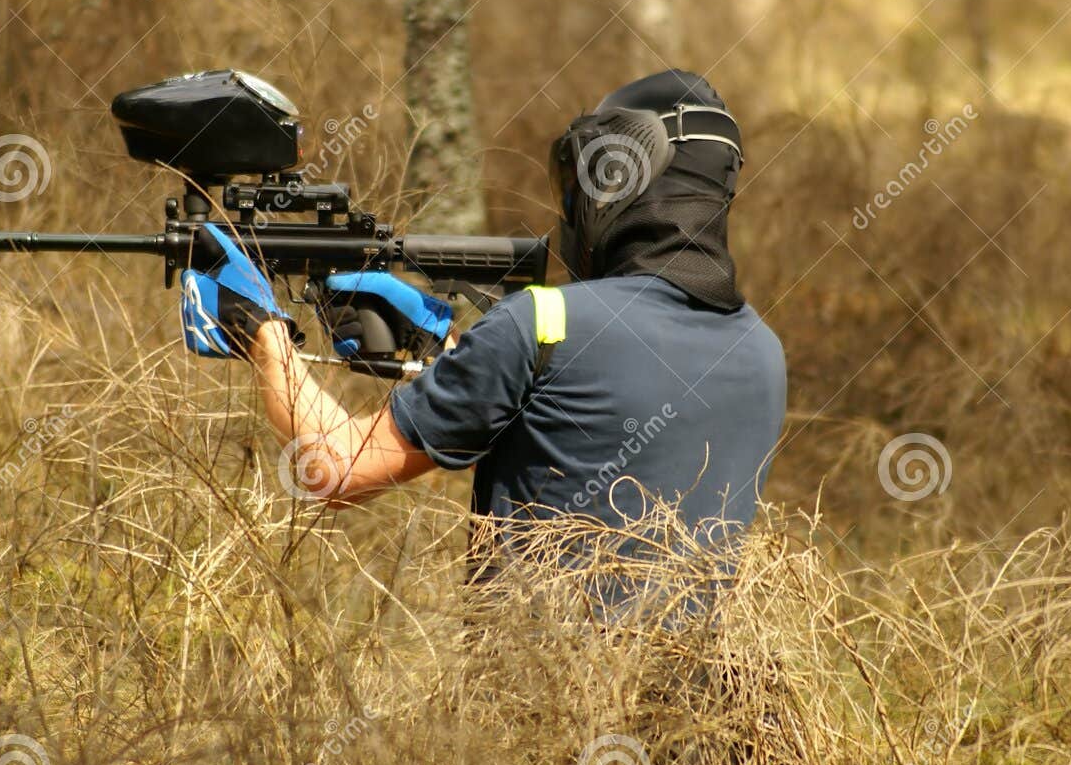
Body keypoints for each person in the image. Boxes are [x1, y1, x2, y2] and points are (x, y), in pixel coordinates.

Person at [180, 68, 785, 614]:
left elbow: (332, 469)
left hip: (541, 712)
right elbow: (582, 414)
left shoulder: (544, 322)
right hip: (700, 713)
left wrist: (260, 325)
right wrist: (445, 351)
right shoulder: (760, 352)